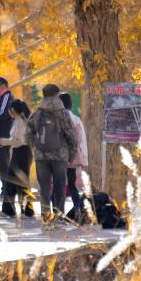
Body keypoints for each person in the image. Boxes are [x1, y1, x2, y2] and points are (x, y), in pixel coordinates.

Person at [26, 84, 77, 223]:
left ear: (43, 95)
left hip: (41, 156)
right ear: (57, 95)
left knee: (44, 187)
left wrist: (36, 148)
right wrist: (72, 155)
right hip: (60, 156)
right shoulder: (63, 114)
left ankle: (46, 217)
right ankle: (59, 216)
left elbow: (28, 134)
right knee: (60, 187)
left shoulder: (37, 113)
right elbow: (71, 136)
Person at [0, 99, 35, 218]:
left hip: (23, 152)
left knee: (21, 181)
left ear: (13, 109)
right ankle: (10, 210)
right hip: (19, 152)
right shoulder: (18, 120)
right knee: (11, 180)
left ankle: (26, 211)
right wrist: (6, 142)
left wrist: (5, 141)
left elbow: (21, 141)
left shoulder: (22, 122)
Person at [60, 92, 89, 222]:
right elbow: (82, 140)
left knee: (59, 186)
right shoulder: (76, 119)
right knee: (73, 187)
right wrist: (83, 159)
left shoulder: (59, 119)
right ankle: (78, 210)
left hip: (62, 157)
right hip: (75, 157)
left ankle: (58, 213)